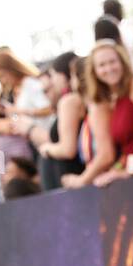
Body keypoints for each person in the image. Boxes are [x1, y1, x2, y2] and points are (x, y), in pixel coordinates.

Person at [65, 40, 133, 188]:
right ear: (95, 71)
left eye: (112, 62)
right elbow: (126, 149)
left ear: (122, 62)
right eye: (102, 65)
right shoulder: (111, 98)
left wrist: (130, 170)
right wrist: (116, 170)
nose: (109, 68)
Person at [25, 51, 87, 191]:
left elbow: (67, 149)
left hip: (68, 176)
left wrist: (46, 149)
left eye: (53, 75)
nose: (52, 80)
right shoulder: (71, 101)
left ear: (64, 75)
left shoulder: (69, 101)